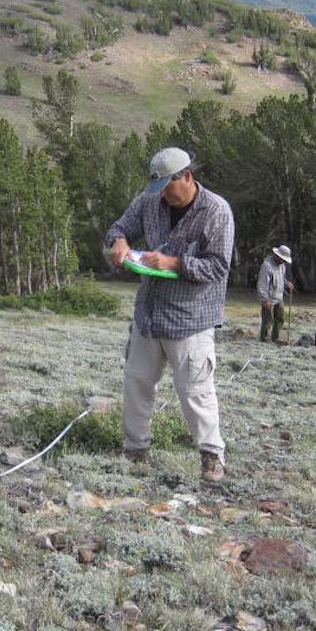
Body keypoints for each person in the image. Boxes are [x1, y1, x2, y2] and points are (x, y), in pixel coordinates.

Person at [104, 147, 235, 485]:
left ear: (186, 176)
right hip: (148, 315)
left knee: (195, 391)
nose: (162, 194)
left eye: (167, 186)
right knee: (137, 383)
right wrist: (119, 242)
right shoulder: (148, 202)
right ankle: (135, 450)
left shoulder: (216, 211)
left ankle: (212, 456)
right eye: (158, 188)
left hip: (190, 320)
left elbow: (218, 267)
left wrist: (174, 264)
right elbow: (119, 228)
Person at [257, 244, 293, 343]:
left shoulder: (282, 266)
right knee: (267, 320)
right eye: (282, 259)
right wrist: (264, 299)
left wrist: (287, 283)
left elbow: (281, 277)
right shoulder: (267, 265)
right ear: (277, 256)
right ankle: (265, 338)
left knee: (280, 318)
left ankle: (275, 337)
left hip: (279, 296)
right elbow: (262, 283)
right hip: (268, 297)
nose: (284, 261)